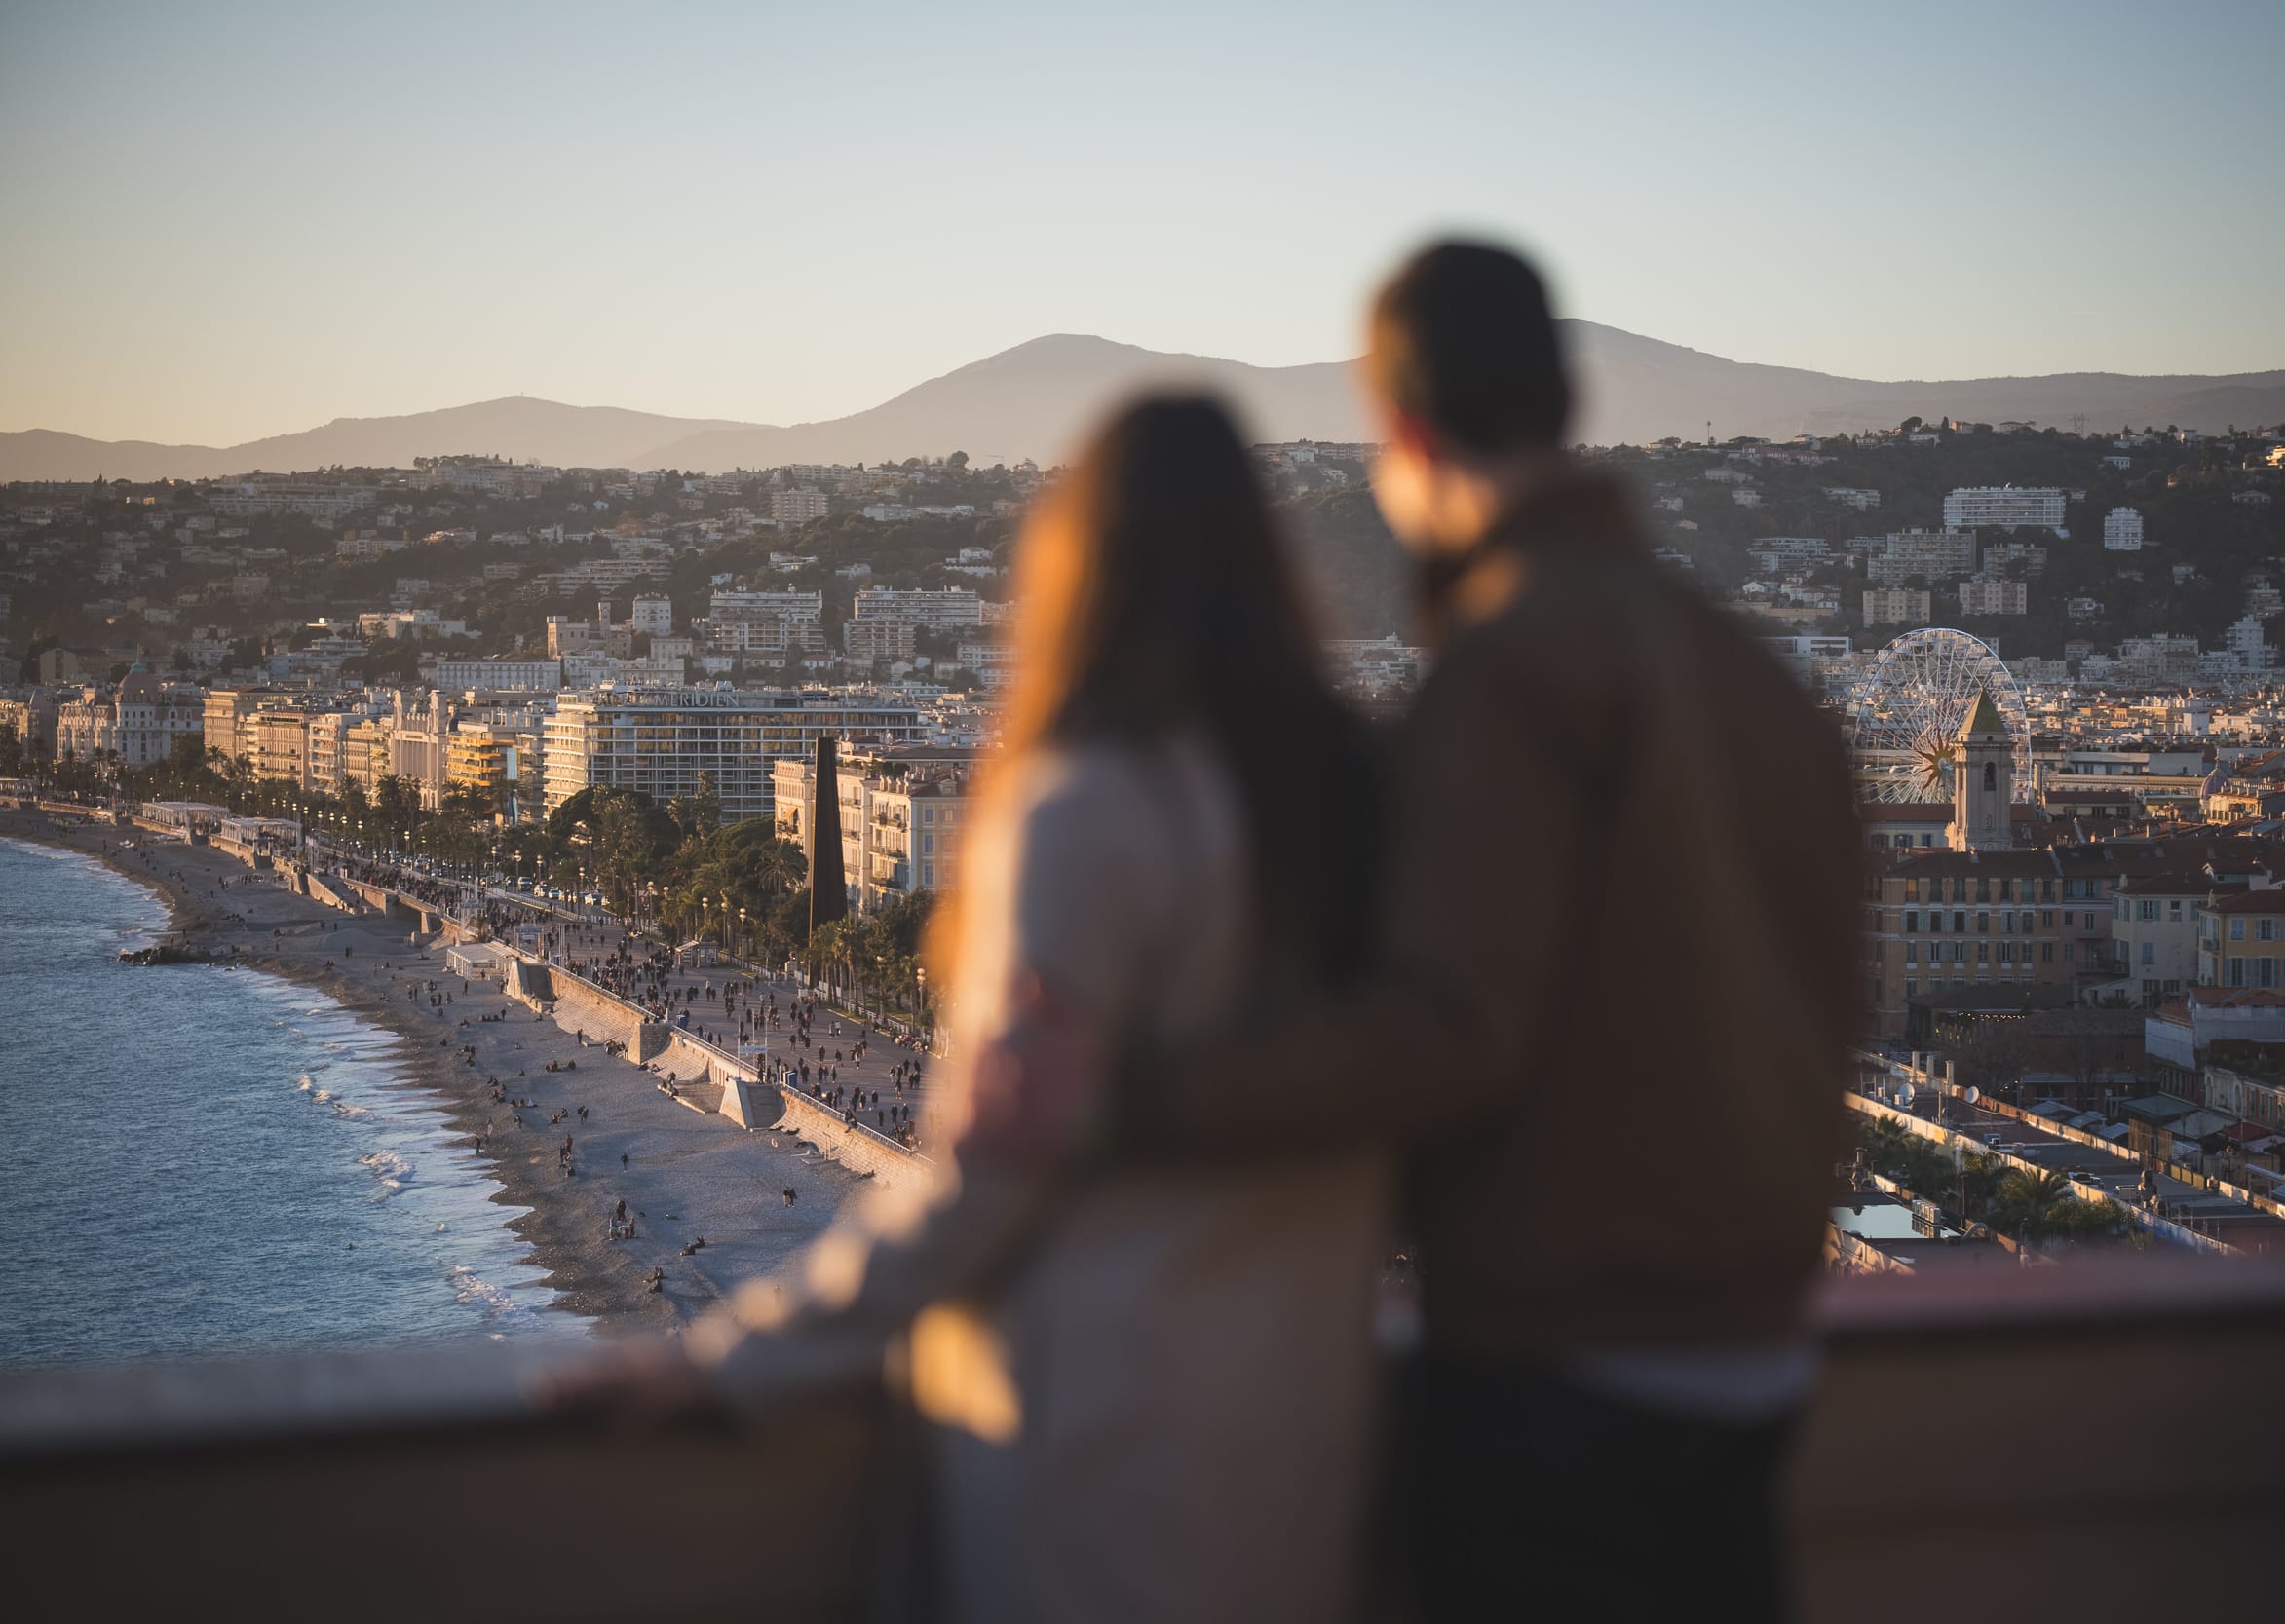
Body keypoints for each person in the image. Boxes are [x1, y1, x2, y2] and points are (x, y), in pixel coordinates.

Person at [974, 244, 1864, 1622]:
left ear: (1400, 430)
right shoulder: (1755, 672)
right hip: (1760, 1358)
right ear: (1566, 398)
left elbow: (1443, 1033)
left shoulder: (1512, 667)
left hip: (1566, 1374)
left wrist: (1119, 1103)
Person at [601, 397, 1388, 1624]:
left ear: (1074, 570)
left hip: (1093, 1438)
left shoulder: (1082, 807)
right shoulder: (1359, 798)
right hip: (1308, 1436)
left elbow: (995, 1165)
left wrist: (739, 1357)